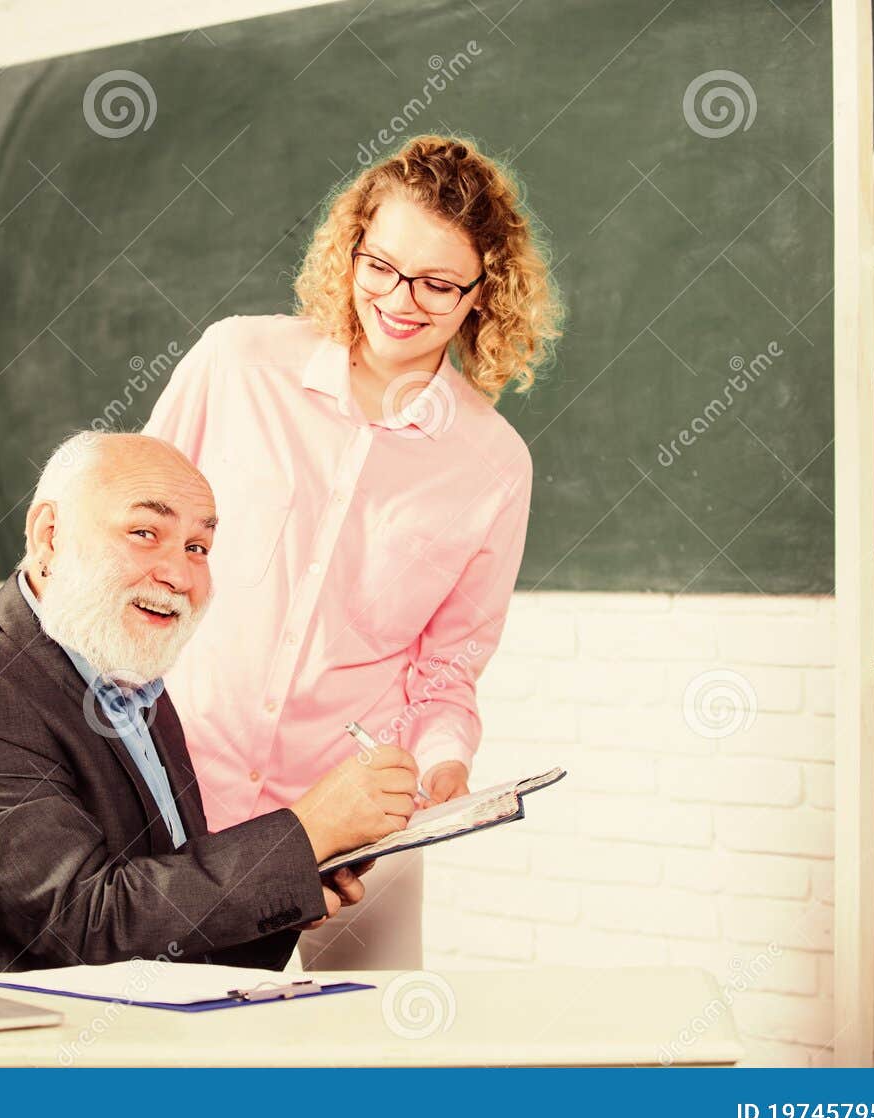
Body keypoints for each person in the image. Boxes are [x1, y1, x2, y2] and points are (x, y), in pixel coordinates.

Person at [144, 134, 562, 968]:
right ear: (353, 248)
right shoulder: (237, 362)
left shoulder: (493, 463)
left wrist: (445, 763)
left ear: (486, 293)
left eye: (440, 284)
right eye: (382, 267)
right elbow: (131, 531)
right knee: (186, 1049)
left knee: (375, 1055)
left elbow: (447, 669)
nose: (401, 300)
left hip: (360, 813)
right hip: (182, 792)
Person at [0, 431, 420, 973]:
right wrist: (307, 829)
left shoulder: (130, 683)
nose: (178, 575)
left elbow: (160, 922)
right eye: (145, 533)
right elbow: (87, 923)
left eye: (197, 547)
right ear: (50, 535)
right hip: (3, 1062)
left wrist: (302, 874)